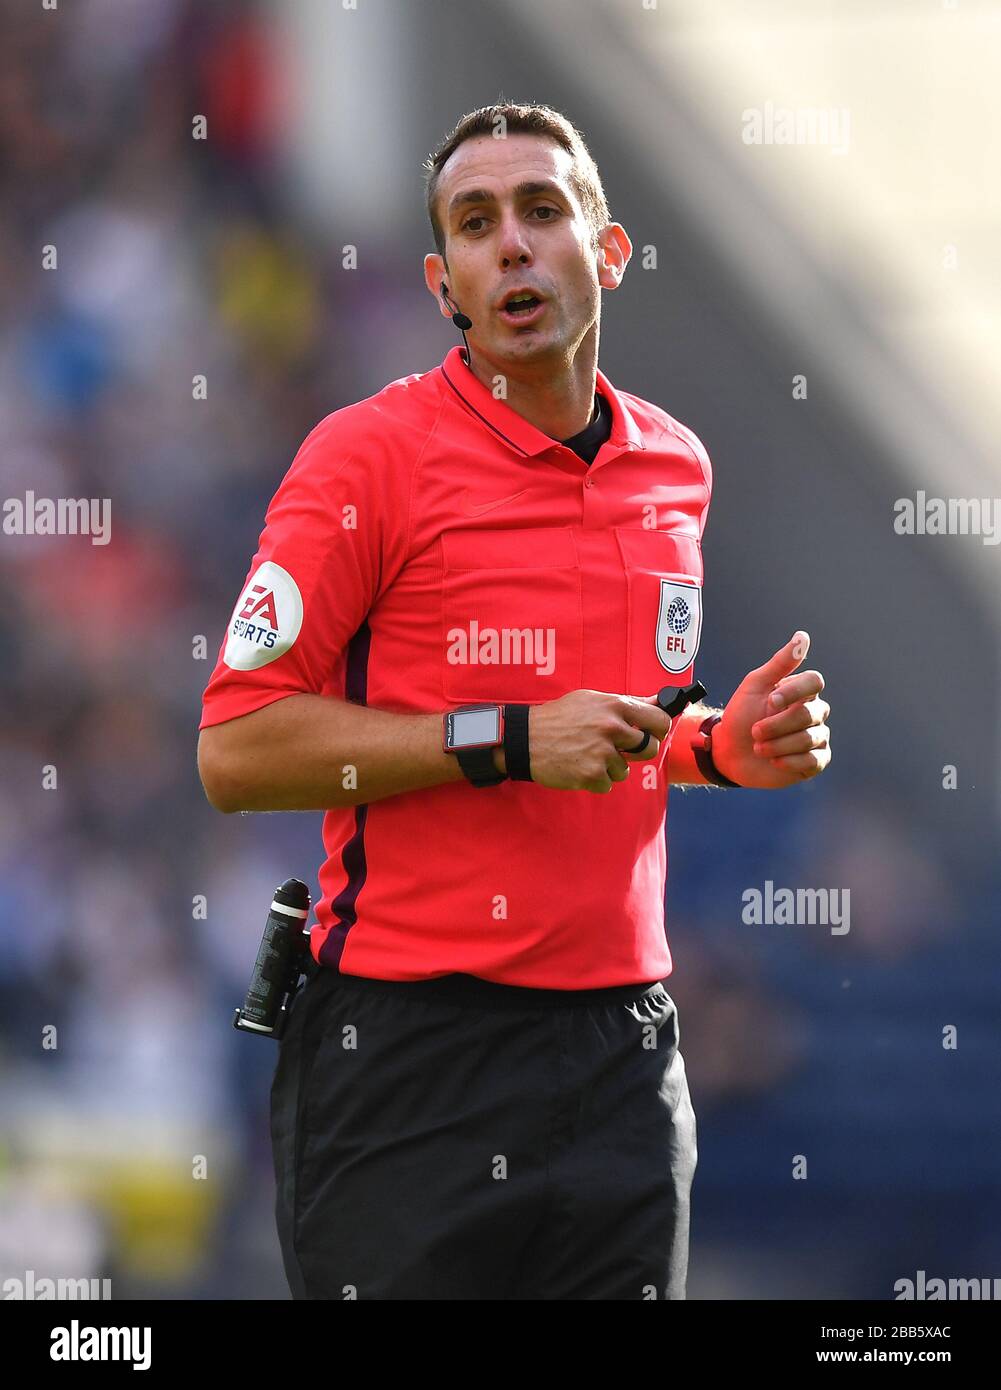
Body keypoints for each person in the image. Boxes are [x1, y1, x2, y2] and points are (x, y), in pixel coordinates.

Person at [196, 102, 832, 1300]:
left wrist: (718, 748)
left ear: (608, 250)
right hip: (404, 1054)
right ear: (445, 285)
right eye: (476, 225)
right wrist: (503, 740)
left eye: (541, 211)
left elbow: (625, 732)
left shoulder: (673, 466)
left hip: (621, 1055)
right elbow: (235, 746)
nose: (511, 245)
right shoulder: (362, 458)